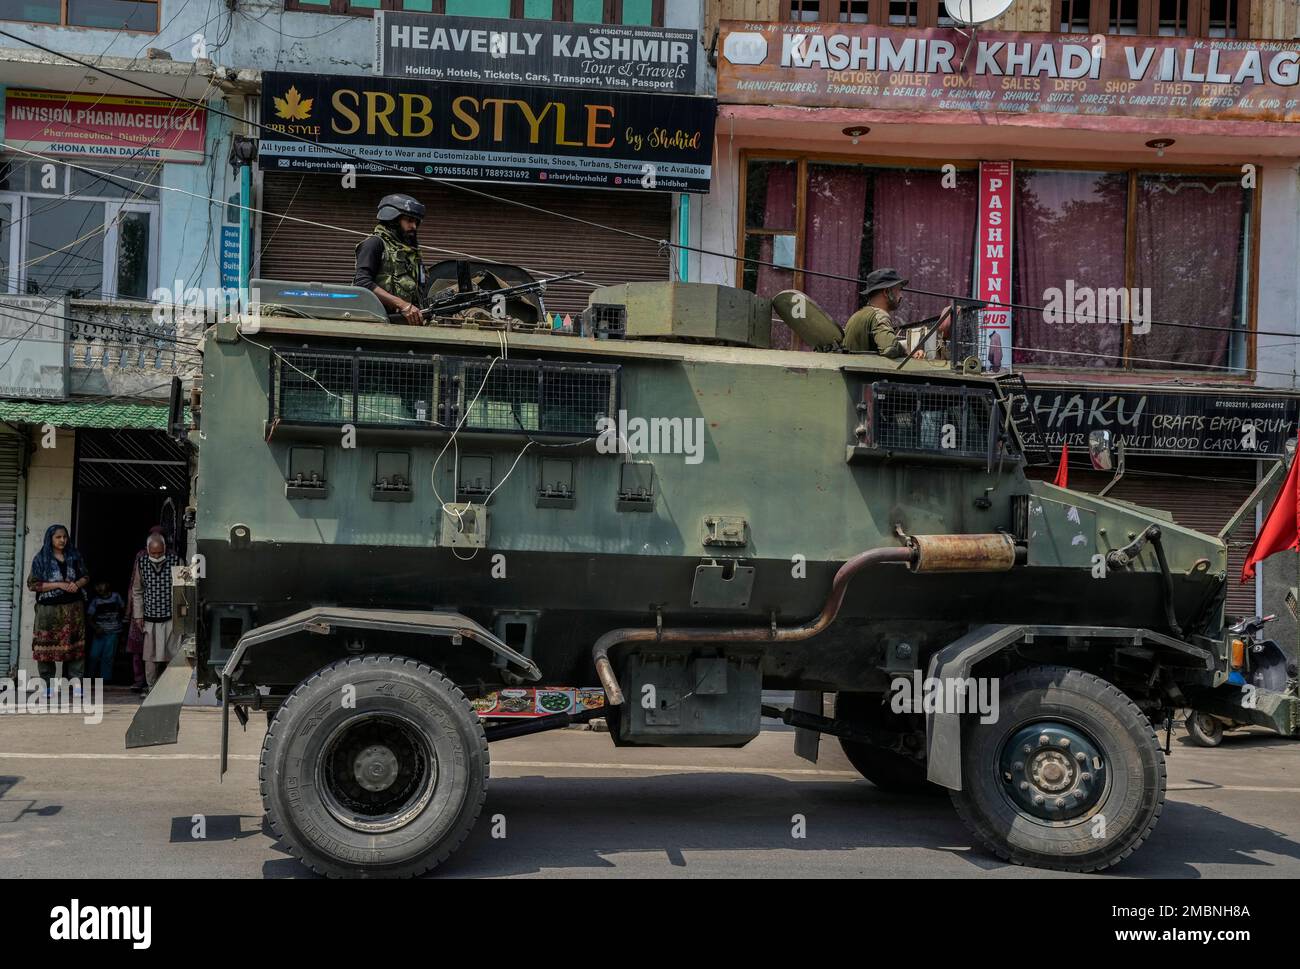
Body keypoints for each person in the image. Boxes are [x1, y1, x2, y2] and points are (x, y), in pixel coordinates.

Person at [26, 524, 89, 684]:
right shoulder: (41, 559)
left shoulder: (74, 556)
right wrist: (59, 584)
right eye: (58, 537)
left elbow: (86, 576)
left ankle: (76, 684)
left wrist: (78, 584)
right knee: (46, 649)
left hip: (73, 611)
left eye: (65, 537)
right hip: (48, 613)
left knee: (76, 648)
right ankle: (47, 684)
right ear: (50, 539)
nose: (62, 540)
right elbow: (33, 584)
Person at [353, 194, 428, 326]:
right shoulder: (374, 244)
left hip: (404, 323)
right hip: (376, 322)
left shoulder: (409, 252)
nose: (414, 226)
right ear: (393, 220)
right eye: (409, 220)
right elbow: (362, 283)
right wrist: (403, 305)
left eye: (416, 222)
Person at [130, 530, 180, 690]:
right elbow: (137, 591)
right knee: (150, 657)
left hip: (171, 617)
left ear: (165, 549)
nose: (157, 556)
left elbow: (183, 589)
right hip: (150, 619)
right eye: (154, 553)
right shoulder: (142, 563)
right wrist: (138, 615)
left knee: (172, 655)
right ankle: (152, 688)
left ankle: (171, 689)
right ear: (147, 549)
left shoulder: (176, 561)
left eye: (160, 553)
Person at [844, 268, 924, 359]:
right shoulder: (879, 315)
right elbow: (890, 348)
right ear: (886, 292)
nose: (901, 296)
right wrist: (909, 353)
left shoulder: (857, 315)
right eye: (899, 290)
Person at [86, 580, 125, 683]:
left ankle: (105, 681)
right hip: (99, 633)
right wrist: (96, 628)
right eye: (96, 585)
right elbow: (89, 618)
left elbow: (123, 611)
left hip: (113, 632)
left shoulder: (116, 597)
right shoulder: (95, 601)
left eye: (101, 584)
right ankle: (89, 679)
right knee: (93, 656)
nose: (98, 587)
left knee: (107, 657)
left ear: (107, 584)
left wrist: (122, 631)